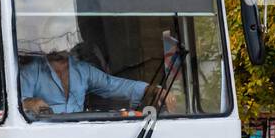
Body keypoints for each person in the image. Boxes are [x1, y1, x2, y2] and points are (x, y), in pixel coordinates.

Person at [20, 48, 173, 116]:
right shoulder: (30, 71)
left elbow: (112, 85)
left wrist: (152, 90)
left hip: (80, 134)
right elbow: (14, 105)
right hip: (43, 137)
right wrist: (28, 103)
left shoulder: (83, 70)